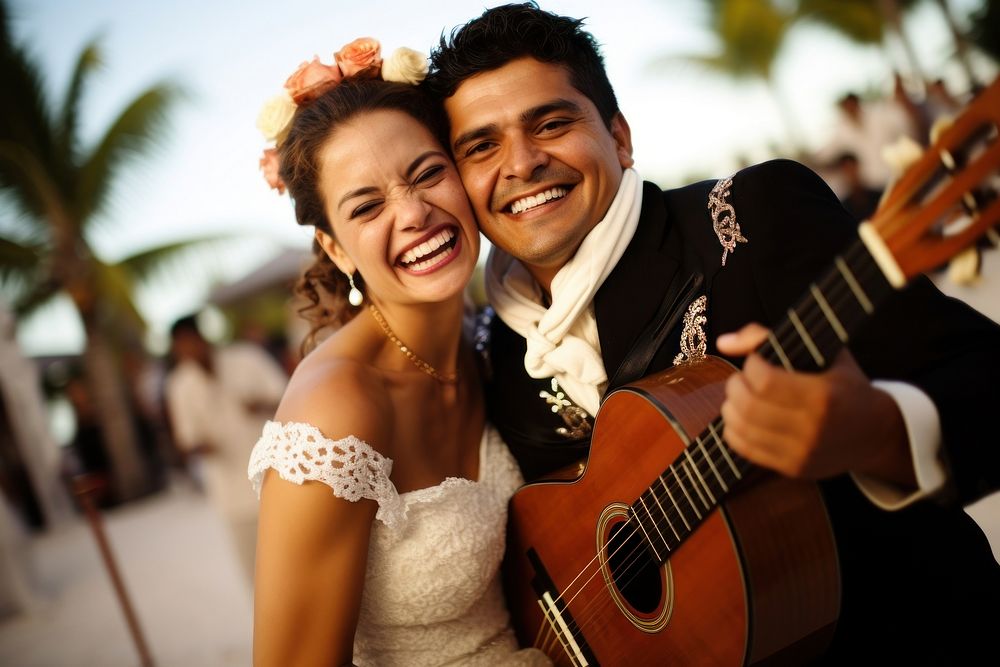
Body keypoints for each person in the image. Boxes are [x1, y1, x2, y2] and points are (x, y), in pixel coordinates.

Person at [425, 3, 1000, 664]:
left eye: (550, 123)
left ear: (619, 137)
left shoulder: (754, 219)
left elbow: (985, 374)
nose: (521, 163)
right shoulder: (497, 351)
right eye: (481, 146)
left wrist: (881, 428)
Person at [246, 38, 549, 666]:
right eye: (367, 206)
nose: (413, 213)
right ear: (335, 251)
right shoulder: (335, 413)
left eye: (428, 173)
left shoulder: (491, 337)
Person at [164, 314, 287, 584]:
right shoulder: (180, 385)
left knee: (294, 557)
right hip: (230, 491)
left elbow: (288, 396)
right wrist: (199, 447)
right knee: (256, 573)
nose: (189, 350)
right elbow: (185, 439)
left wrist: (260, 404)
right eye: (182, 346)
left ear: (202, 337)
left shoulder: (245, 358)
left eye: (191, 342)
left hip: (277, 476)